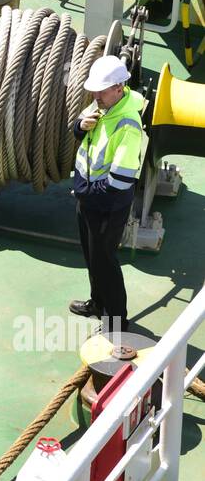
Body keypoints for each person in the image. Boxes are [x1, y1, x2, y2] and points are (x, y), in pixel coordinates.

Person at [69, 56, 146, 331]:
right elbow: (80, 133)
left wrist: (85, 193)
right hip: (88, 198)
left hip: (107, 205)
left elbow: (120, 181)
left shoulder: (128, 124)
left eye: (101, 90)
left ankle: (116, 323)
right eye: (94, 90)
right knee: (92, 256)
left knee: (105, 261)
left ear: (119, 87)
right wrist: (80, 126)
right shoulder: (103, 104)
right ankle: (98, 304)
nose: (95, 95)